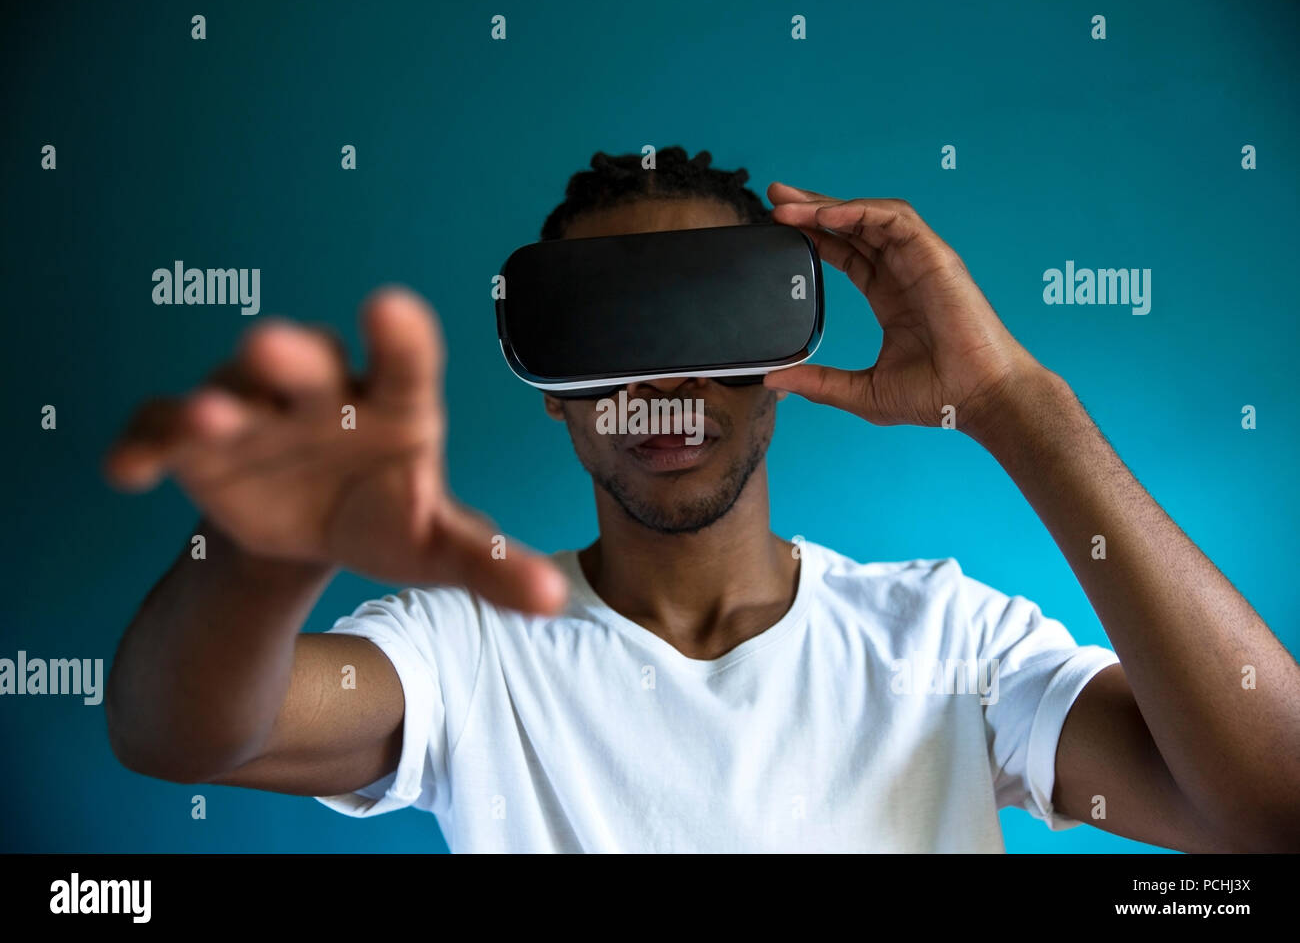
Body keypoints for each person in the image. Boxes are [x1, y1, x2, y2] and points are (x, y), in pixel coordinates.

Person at [103, 147, 1300, 852]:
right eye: (612, 337)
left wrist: (1009, 402)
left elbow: (1270, 803)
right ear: (554, 393)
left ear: (779, 367)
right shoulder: (465, 648)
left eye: (711, 326)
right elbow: (182, 732)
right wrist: (259, 546)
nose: (663, 381)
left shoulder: (948, 642)